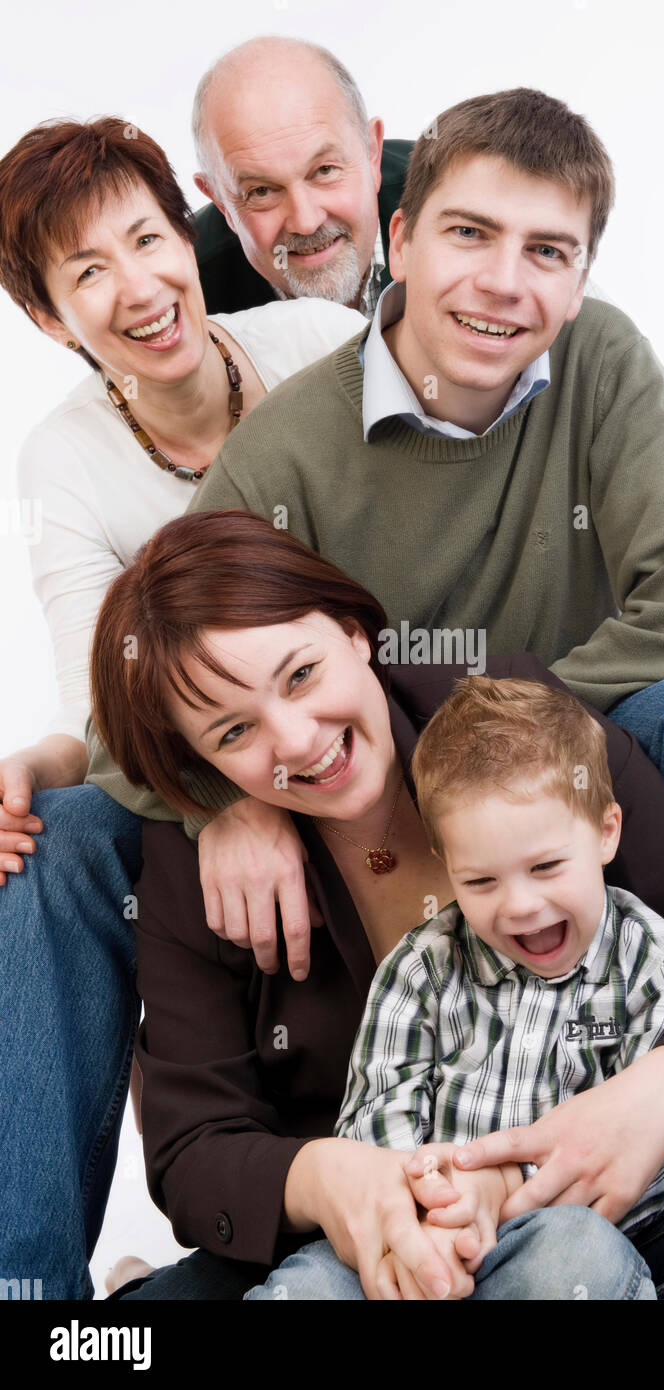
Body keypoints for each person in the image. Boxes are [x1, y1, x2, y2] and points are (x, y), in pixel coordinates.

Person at [88, 85, 664, 1170]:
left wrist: (484, 740)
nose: (502, 281)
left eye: (548, 251)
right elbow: (146, 708)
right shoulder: (289, 447)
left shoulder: (605, 365)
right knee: (70, 832)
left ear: (581, 280)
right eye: (468, 234)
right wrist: (224, 803)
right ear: (397, 239)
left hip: (581, 773)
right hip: (363, 801)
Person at [83, 514, 664, 1302]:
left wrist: (650, 1095)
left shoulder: (511, 719)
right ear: (200, 762)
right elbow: (193, 1147)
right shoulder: (195, 860)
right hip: (351, 1252)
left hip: (609, 1222)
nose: (296, 739)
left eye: (301, 675)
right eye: (235, 731)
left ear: (354, 634)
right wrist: (333, 1179)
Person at [0, 115, 365, 1300]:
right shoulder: (66, 459)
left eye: (147, 241)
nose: (135, 288)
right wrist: (223, 807)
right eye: (86, 273)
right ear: (52, 319)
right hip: (202, 769)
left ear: (187, 241)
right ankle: (25, 1287)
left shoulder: (320, 343)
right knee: (51, 840)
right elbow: (103, 714)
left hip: (371, 732)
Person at [244, 675, 664, 1300]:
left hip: (551, 1233)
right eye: (481, 881)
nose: (520, 905)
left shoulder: (649, 959)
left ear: (605, 831)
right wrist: (430, 1213)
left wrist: (504, 1190)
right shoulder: (424, 964)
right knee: (311, 1286)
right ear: (445, 862)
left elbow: (646, 1166)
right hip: (417, 1229)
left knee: (582, 1260)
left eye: (546, 866)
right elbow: (377, 1112)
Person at [189, 35, 413, 316]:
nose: (306, 223)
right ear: (221, 202)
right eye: (261, 191)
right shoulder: (188, 299)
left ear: (372, 153)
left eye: (324, 170)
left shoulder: (461, 201)